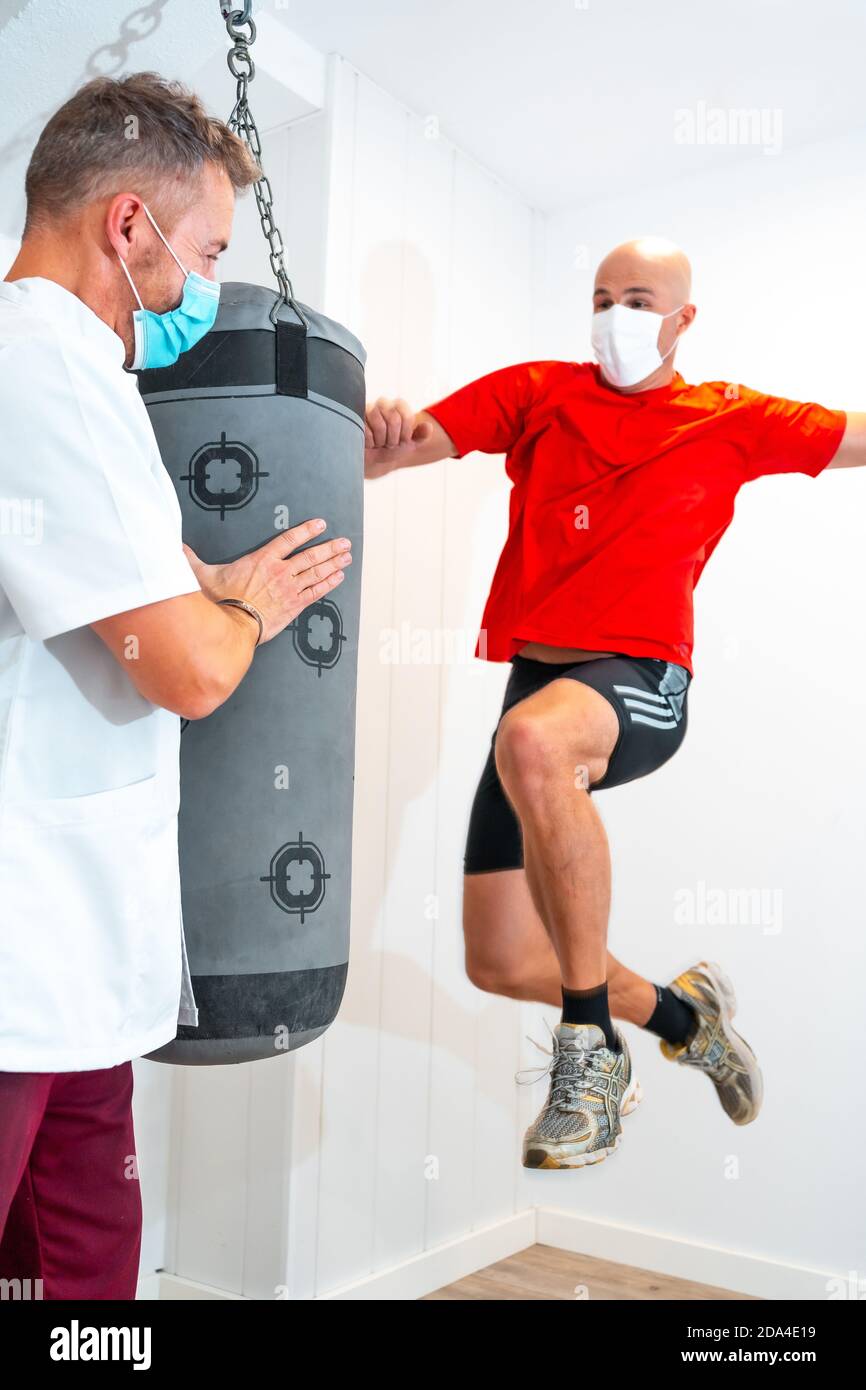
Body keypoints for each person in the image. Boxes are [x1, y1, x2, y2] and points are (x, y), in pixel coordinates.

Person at [364, 234, 864, 1170]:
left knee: (534, 742)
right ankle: (688, 1019)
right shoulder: (540, 392)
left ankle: (588, 1058)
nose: (615, 317)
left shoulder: (729, 417)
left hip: (640, 685)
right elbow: (402, 449)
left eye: (639, 300)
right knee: (503, 961)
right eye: (602, 296)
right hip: (538, 690)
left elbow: (857, 433)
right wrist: (386, 433)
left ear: (683, 319)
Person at [0, 73, 353, 1297]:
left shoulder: (84, 385)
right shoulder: (38, 369)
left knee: (83, 1260)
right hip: (22, 944)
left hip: (74, 954)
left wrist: (209, 575)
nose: (205, 286)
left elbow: (141, 592)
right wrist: (245, 604)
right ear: (127, 226)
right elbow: (198, 672)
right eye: (204, 250)